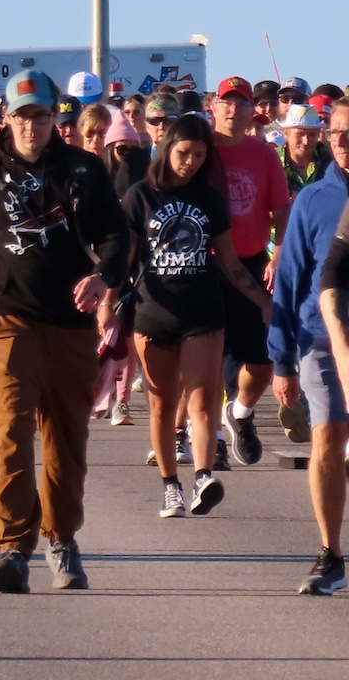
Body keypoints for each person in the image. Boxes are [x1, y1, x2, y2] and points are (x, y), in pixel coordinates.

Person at [0, 70, 130, 594]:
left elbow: (116, 238)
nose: (31, 127)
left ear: (53, 118)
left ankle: (61, 539)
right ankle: (13, 547)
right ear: (6, 120)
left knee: (67, 439)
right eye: (22, 117)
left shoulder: (83, 170)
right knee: (12, 428)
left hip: (69, 325)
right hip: (6, 318)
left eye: (40, 116)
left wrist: (103, 277)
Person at [122, 113, 271, 520]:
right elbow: (124, 258)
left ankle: (204, 476)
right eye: (184, 153)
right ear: (167, 148)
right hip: (153, 313)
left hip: (203, 311)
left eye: (199, 155)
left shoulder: (210, 200)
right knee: (162, 405)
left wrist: (263, 301)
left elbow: (232, 265)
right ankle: (171, 487)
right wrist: (104, 301)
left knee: (204, 402)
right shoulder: (140, 196)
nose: (190, 161)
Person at [268, 102, 349, 594]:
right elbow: (291, 278)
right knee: (327, 439)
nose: (341, 140)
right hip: (319, 338)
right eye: (335, 132)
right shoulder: (314, 199)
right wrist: (280, 358)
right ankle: (331, 553)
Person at [205, 75, 291, 467]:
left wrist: (279, 254)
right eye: (227, 102)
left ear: (250, 111)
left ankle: (239, 413)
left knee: (261, 360)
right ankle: (213, 440)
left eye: (241, 104)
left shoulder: (264, 155)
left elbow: (282, 210)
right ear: (214, 107)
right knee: (210, 358)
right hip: (206, 265)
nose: (233, 110)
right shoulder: (201, 152)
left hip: (253, 264)